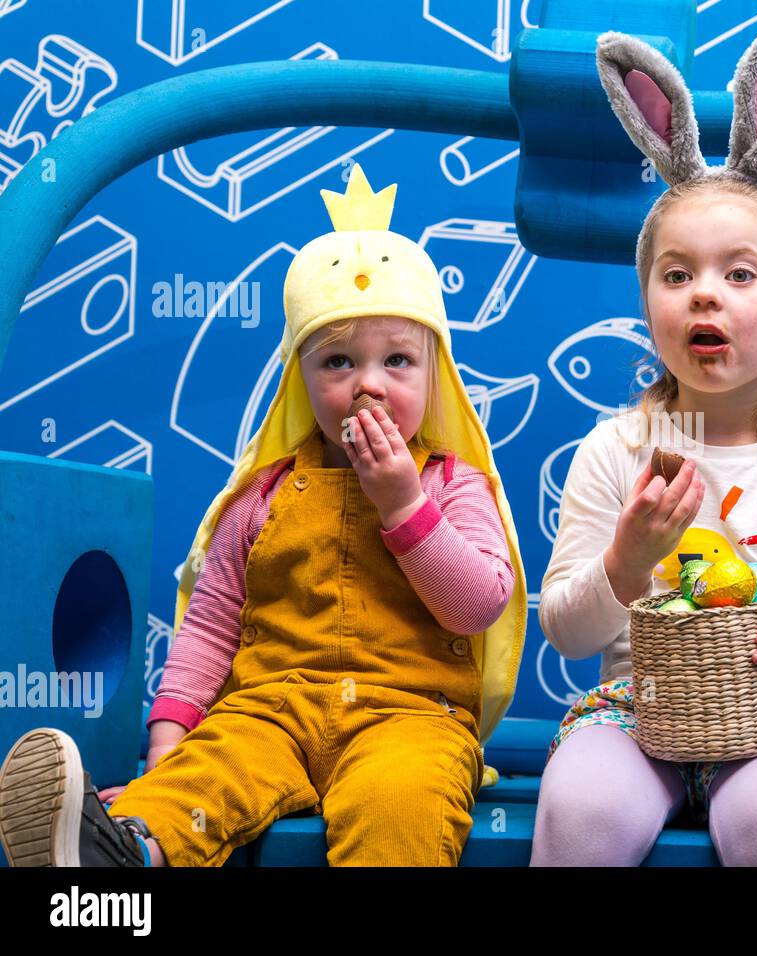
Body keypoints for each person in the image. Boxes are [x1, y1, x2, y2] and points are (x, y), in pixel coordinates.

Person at [0, 165, 527, 867]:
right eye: (338, 361)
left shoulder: (455, 485)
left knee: (400, 802)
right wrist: (169, 739)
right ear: (300, 381)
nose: (368, 383)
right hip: (268, 712)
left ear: (435, 376)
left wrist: (405, 502)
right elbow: (212, 624)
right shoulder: (265, 494)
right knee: (203, 778)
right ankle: (119, 855)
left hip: (409, 717)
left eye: (398, 359)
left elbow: (477, 605)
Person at [530, 11, 757, 867]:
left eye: (739, 274)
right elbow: (567, 632)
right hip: (636, 706)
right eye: (677, 274)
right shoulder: (617, 449)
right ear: (648, 304)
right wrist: (625, 563)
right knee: (581, 808)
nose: (706, 295)